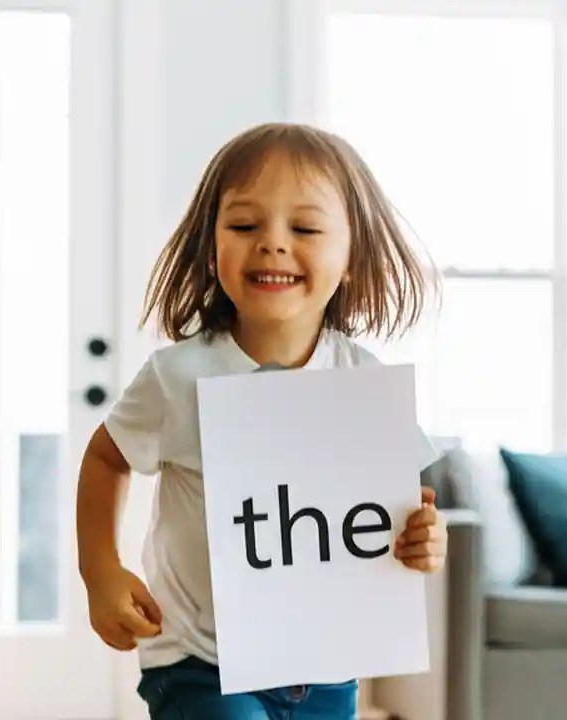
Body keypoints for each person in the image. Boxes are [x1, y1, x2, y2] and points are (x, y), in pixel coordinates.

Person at [75, 122, 448, 719]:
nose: (272, 244)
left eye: (304, 228)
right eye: (245, 226)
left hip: (326, 668)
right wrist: (100, 570)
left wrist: (427, 541)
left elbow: (399, 513)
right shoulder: (178, 376)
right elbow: (105, 458)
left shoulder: (363, 382)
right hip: (200, 663)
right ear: (212, 243)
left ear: (351, 255)